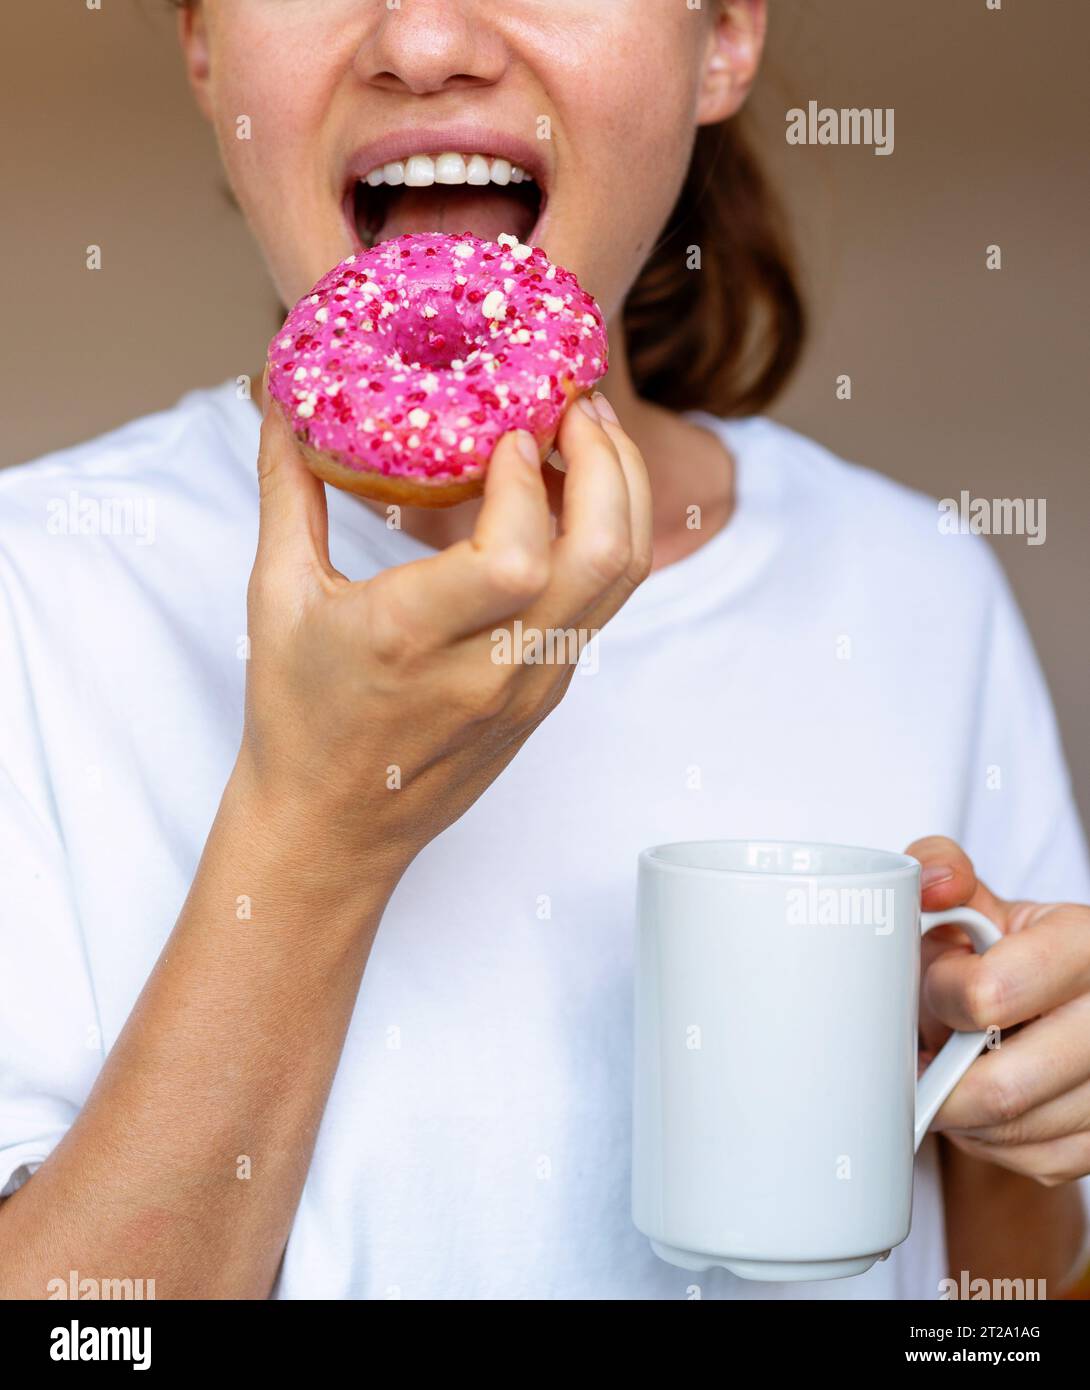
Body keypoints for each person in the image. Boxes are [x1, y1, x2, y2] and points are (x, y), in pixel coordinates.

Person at [1, 0, 1087, 1300]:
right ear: (201, 45)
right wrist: (317, 827)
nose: (421, 41)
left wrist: (988, 1114)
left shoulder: (917, 588)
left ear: (724, 34)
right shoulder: (39, 584)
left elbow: (993, 1307)